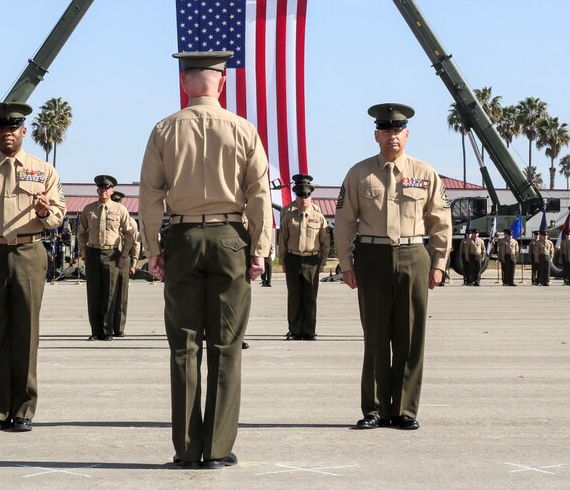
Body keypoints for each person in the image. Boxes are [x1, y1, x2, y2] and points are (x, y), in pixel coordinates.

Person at [139, 51, 271, 469]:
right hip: (231, 236)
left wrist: (153, 250)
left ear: (185, 84)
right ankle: (215, 449)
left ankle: (186, 448)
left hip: (181, 236)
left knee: (184, 346)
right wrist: (260, 249)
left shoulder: (164, 129)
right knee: (226, 345)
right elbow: (260, 195)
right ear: (222, 82)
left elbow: (149, 196)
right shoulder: (243, 129)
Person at [335, 102, 451, 432]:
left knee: (410, 337)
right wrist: (345, 263)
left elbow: (440, 221)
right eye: (386, 131)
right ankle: (373, 409)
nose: (392, 137)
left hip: (415, 255)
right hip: (372, 257)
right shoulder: (359, 174)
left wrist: (439, 263)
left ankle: (404, 410)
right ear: (376, 135)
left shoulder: (425, 173)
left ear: (407, 135)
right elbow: (344, 222)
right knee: (375, 336)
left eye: (398, 131)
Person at [0, 101, 66, 434]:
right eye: (1, 129)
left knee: (26, 333)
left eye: (13, 129)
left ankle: (23, 410)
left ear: (24, 132)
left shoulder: (43, 171)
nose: (7, 134)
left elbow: (57, 216)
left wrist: (42, 212)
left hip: (28, 252)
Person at [77, 174, 138, 341]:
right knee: (94, 293)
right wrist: (83, 253)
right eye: (101, 188)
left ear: (112, 191)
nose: (103, 190)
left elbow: (130, 234)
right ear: (97, 190)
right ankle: (96, 331)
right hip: (93, 252)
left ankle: (107, 330)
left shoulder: (120, 210)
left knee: (110, 294)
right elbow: (81, 233)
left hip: (112, 254)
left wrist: (124, 254)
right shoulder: (89, 209)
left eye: (106, 188)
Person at [279, 174, 331, 340]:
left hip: (311, 260)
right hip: (293, 259)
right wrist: (283, 260)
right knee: (294, 296)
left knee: (310, 296)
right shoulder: (289, 215)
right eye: (301, 195)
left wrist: (323, 262)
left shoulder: (318, 216)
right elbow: (283, 240)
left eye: (307, 195)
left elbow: (325, 242)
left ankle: (309, 331)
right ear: (297, 197)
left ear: (311, 196)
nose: (304, 199)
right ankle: (295, 330)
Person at [111, 191, 140, 337]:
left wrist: (134, 263)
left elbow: (136, 244)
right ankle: (107, 326)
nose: (116, 203)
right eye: (114, 200)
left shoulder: (130, 221)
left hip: (124, 258)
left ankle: (119, 327)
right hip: (109, 256)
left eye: (118, 201)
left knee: (121, 296)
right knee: (108, 294)